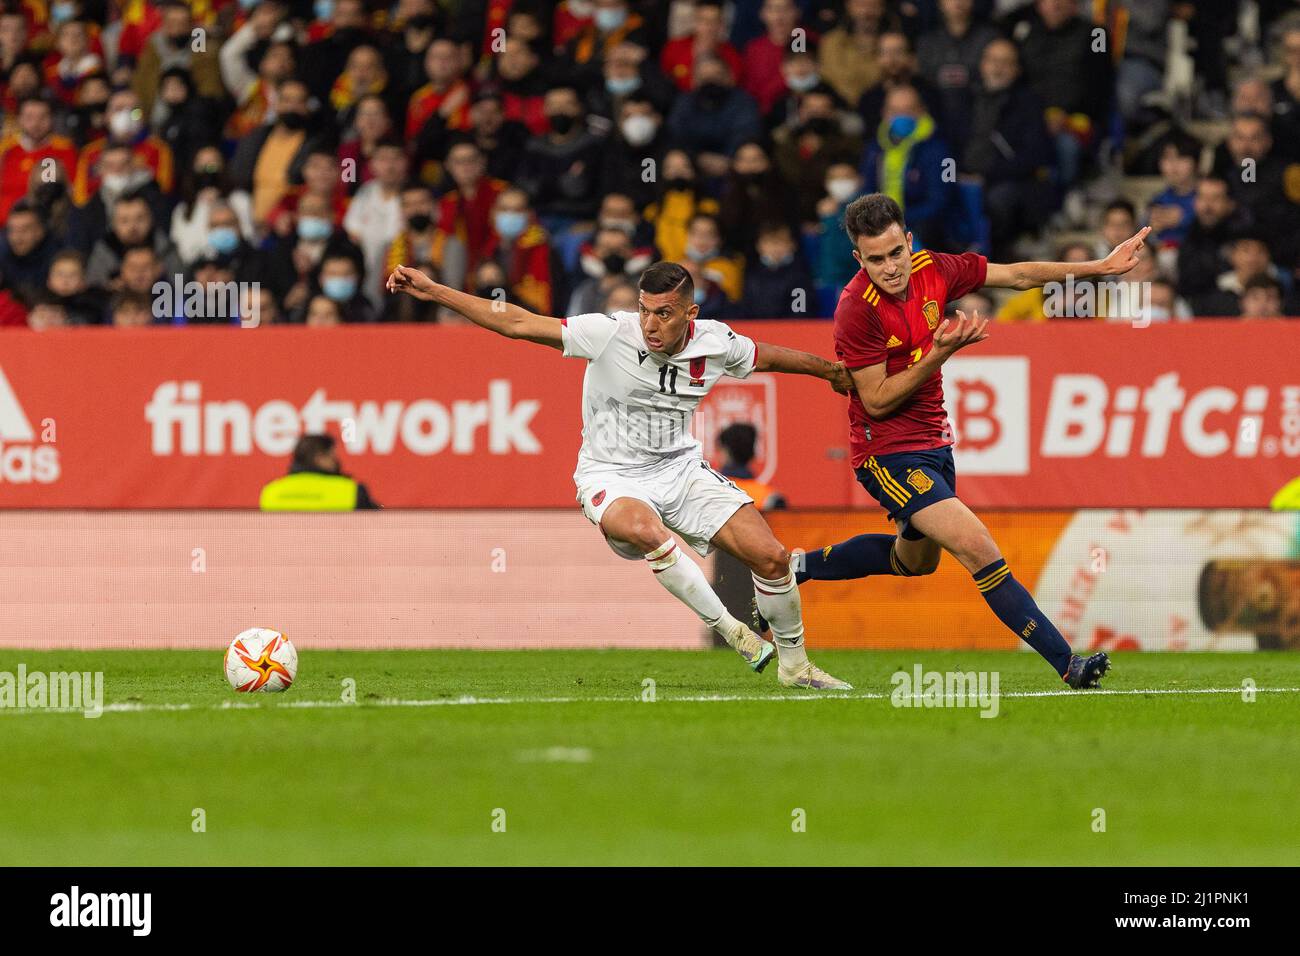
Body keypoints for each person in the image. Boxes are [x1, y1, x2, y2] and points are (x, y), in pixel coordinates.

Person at [387, 259, 854, 689]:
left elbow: (770, 357)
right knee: (646, 530)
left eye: (666, 314)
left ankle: (796, 668)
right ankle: (733, 631)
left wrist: (830, 371)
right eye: (645, 310)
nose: (652, 324)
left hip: (680, 469)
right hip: (611, 474)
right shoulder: (610, 332)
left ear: (690, 313)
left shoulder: (716, 341)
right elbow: (518, 322)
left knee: (770, 558)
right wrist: (436, 290)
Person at [794, 193, 1151, 689]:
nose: (890, 268)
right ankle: (1068, 664)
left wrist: (1102, 267)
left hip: (935, 443)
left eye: (895, 252)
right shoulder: (856, 310)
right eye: (875, 259)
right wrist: (939, 354)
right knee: (979, 547)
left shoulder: (934, 269)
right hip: (886, 453)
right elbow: (875, 400)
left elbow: (1018, 275)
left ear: (909, 241)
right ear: (859, 259)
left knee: (912, 561)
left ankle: (798, 567)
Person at [260, 433, 381, 511]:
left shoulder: (271, 491)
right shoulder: (351, 491)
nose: (336, 461)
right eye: (332, 456)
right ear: (319, 458)